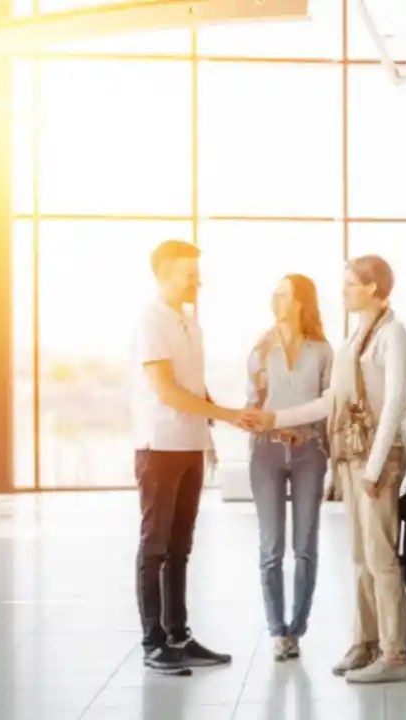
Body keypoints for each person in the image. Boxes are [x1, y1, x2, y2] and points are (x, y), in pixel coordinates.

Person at [241, 255, 406, 684]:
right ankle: (366, 642)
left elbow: (394, 403)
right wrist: (274, 420)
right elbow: (329, 403)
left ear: (374, 287)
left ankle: (396, 655)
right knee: (360, 557)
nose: (343, 292)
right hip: (353, 460)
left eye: (351, 285)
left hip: (379, 459)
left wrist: (374, 468)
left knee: (381, 558)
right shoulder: (355, 336)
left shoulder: (393, 335)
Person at [132, 239, 239, 675]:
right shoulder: (151, 322)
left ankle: (179, 635)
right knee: (155, 546)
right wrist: (225, 414)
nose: (198, 281)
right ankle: (153, 642)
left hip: (191, 445)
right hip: (159, 447)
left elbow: (193, 387)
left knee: (181, 547)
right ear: (163, 276)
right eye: (189, 274)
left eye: (198, 273)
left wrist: (217, 423)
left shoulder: (189, 324)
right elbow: (166, 390)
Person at [246, 274, 333, 662]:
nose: (275, 299)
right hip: (266, 452)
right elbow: (252, 408)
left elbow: (330, 406)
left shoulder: (322, 351)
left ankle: (296, 629)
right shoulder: (260, 351)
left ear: (301, 302)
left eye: (284, 294)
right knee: (271, 547)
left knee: (305, 547)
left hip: (309, 453)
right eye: (275, 292)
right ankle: (276, 630)